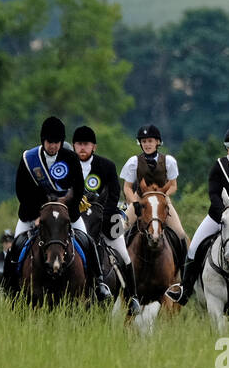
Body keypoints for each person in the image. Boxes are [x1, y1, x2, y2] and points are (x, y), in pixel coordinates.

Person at [11, 115, 110, 301]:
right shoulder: (29, 159)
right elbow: (21, 191)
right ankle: (10, 288)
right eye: (50, 142)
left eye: (57, 142)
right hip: (32, 214)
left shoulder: (70, 158)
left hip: (66, 214)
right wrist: (35, 215)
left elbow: (79, 188)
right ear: (43, 140)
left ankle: (99, 283)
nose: (53, 146)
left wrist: (66, 211)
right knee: (16, 246)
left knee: (88, 242)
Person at [178, 126, 229, 305]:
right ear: (227, 148)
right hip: (220, 216)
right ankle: (185, 290)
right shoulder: (219, 166)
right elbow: (214, 194)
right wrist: (224, 212)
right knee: (193, 247)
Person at [72, 125, 139, 312]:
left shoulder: (106, 166)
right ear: (73, 146)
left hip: (104, 219)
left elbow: (114, 193)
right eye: (79, 144)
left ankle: (132, 298)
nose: (82, 148)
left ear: (94, 146)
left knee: (123, 254)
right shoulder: (67, 165)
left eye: (86, 144)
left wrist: (104, 214)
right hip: (75, 218)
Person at [120, 124, 187, 267]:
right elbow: (127, 187)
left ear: (157, 142)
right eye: (144, 141)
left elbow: (173, 185)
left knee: (180, 234)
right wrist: (135, 203)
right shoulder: (133, 162)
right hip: (140, 200)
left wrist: (162, 197)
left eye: (150, 141)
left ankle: (183, 276)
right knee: (118, 232)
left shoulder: (168, 161)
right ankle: (117, 271)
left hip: (162, 201)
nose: (147, 144)